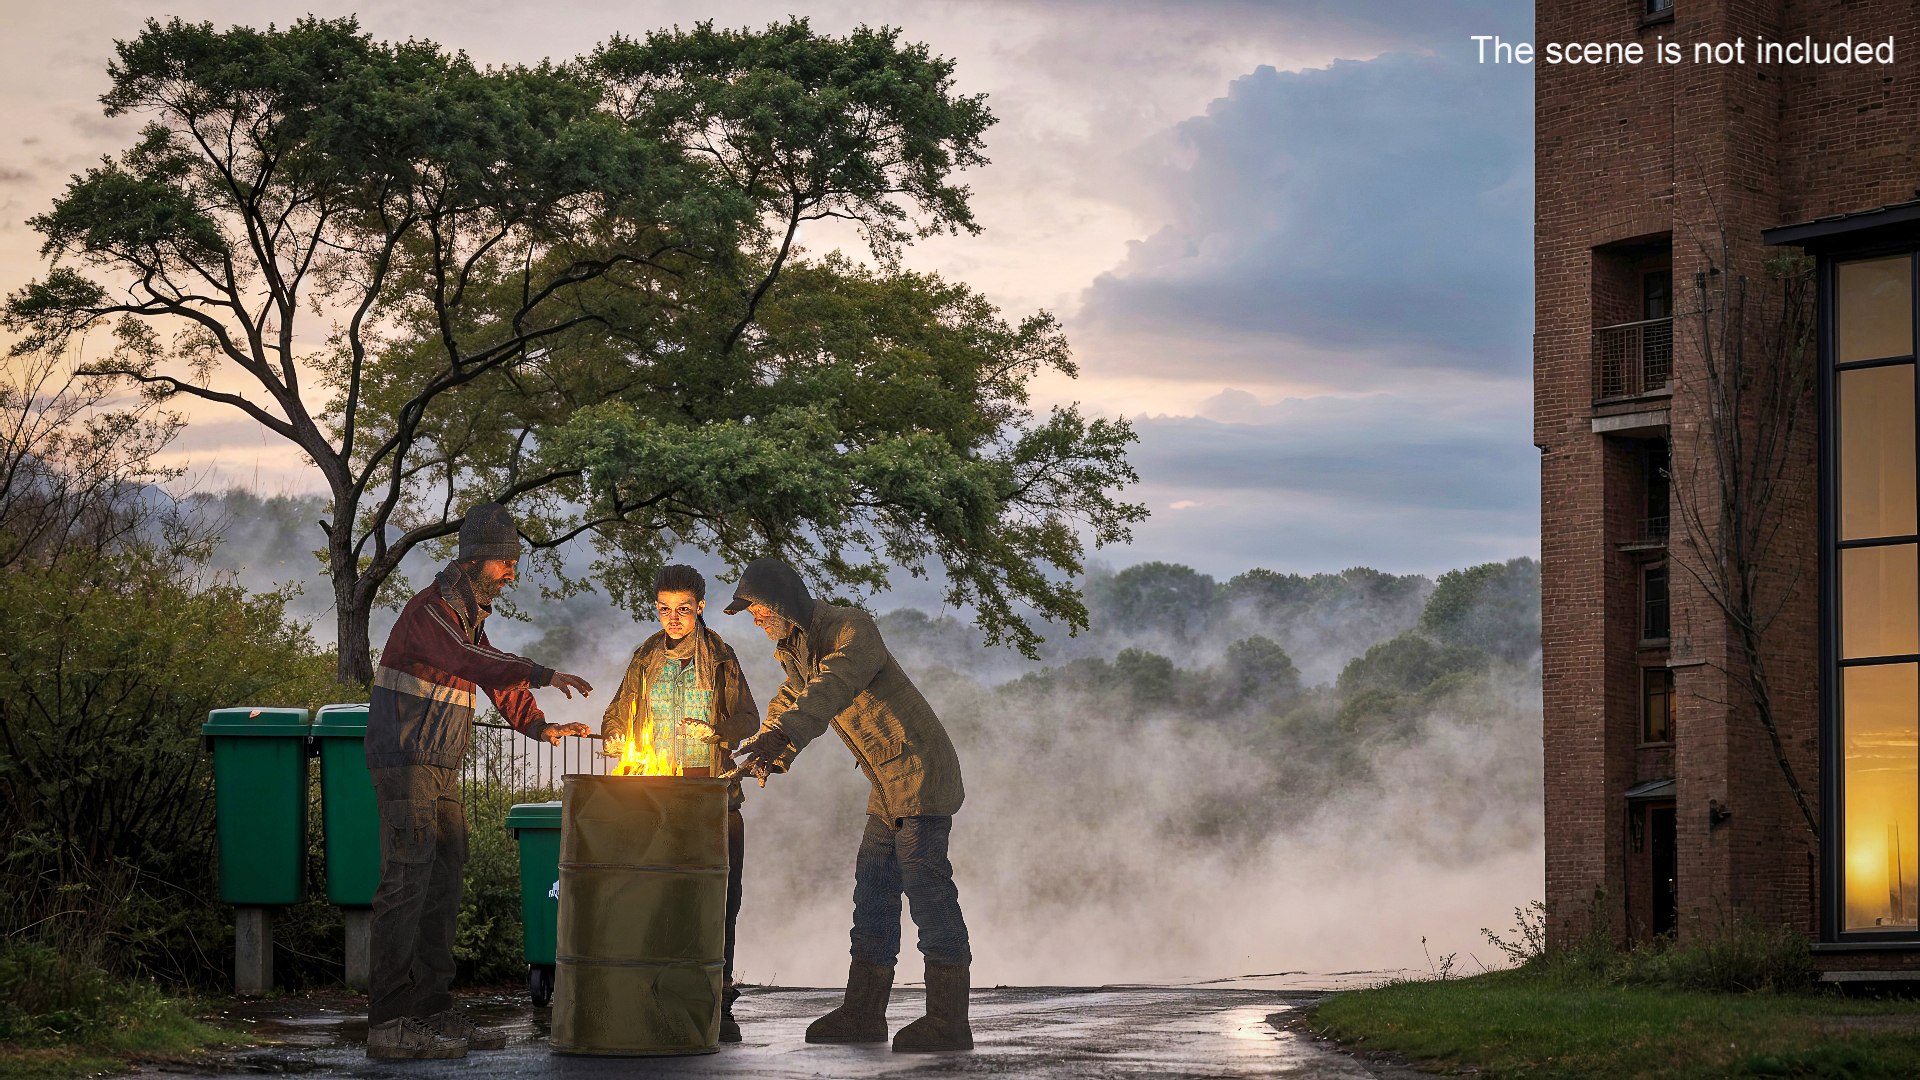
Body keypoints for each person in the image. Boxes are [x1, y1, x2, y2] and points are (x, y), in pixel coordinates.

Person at [364, 503, 594, 1060]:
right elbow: (473, 662)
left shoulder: (467, 617)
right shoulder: (432, 613)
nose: (512, 572)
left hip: (439, 763)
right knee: (406, 882)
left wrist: (541, 726)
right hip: (406, 760)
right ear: (475, 562)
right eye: (505, 562)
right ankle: (389, 1025)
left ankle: (431, 1009)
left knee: (443, 882)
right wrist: (542, 671)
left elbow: (491, 675)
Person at [722, 556, 972, 1053]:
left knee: (927, 891)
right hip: (885, 781)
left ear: (781, 602)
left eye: (756, 609)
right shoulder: (794, 647)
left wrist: (783, 737)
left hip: (920, 772)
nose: (754, 619)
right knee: (873, 889)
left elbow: (829, 689)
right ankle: (863, 1012)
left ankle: (948, 1020)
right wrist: (763, 748)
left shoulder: (852, 629)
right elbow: (791, 699)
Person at [598, 564, 761, 1042]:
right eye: (665, 610)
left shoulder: (722, 658)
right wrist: (613, 736)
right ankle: (655, 996)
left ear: (700, 608)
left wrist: (720, 731)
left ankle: (718, 1001)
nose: (674, 619)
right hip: (655, 800)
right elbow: (618, 711)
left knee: (718, 900)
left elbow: (749, 716)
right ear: (656, 608)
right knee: (656, 897)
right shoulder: (646, 657)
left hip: (713, 798)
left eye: (683, 610)